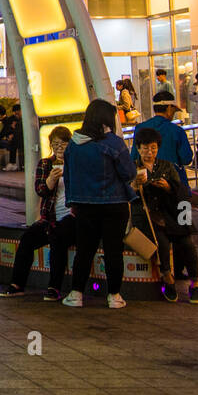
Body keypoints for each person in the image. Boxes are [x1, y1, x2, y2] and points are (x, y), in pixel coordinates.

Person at [61, 99, 136, 309]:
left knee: (84, 250)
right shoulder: (113, 142)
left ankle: (76, 294)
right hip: (115, 205)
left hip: (84, 206)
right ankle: (114, 296)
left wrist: (72, 202)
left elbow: (69, 176)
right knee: (113, 251)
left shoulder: (74, 144)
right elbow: (129, 173)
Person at [0, 126, 76, 300]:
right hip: (49, 217)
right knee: (27, 239)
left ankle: (54, 287)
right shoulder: (45, 164)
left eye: (63, 144)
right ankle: (16, 284)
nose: (59, 148)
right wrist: (50, 181)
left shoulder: (76, 165)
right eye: (55, 144)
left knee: (58, 238)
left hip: (71, 218)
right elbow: (40, 190)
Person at [132, 127, 198, 303]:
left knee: (187, 242)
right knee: (161, 242)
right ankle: (167, 277)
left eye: (153, 148)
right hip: (147, 214)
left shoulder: (166, 166)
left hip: (169, 213)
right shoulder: (133, 168)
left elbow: (181, 192)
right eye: (145, 148)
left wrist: (169, 187)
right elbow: (126, 196)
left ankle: (195, 283)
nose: (149, 152)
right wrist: (134, 186)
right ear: (138, 148)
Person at [130, 91, 194, 188]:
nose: (173, 114)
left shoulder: (140, 128)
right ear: (169, 108)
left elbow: (134, 157)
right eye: (173, 111)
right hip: (173, 184)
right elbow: (187, 158)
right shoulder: (177, 131)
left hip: (147, 184)